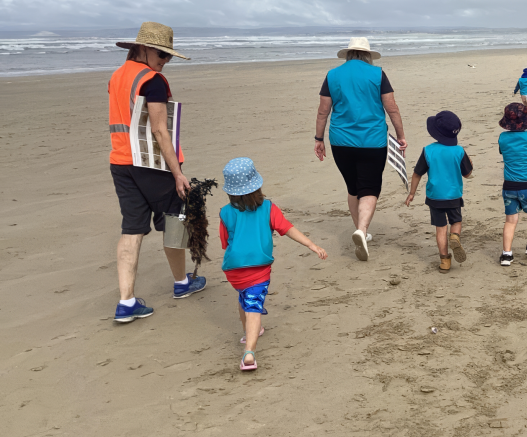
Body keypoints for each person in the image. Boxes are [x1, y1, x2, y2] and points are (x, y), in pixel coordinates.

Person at [108, 22, 206, 323]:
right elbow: (160, 130)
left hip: (120, 162)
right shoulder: (153, 81)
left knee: (132, 229)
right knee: (175, 221)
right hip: (152, 164)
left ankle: (126, 302)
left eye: (168, 56)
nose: (165, 61)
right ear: (143, 48)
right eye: (162, 54)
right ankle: (181, 283)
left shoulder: (117, 76)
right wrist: (177, 172)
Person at [219, 158, 328, 371]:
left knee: (243, 296)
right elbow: (287, 229)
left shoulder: (225, 212)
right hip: (258, 269)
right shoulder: (268, 208)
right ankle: (249, 352)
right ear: (256, 185)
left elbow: (225, 242)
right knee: (254, 306)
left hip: (233, 269)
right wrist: (312, 245)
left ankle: (249, 330)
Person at [315, 37, 407, 262]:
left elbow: (323, 111)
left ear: (348, 54)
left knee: (353, 186)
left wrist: (319, 138)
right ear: (367, 55)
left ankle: (360, 230)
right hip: (372, 140)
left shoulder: (333, 75)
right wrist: (401, 135)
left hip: (340, 141)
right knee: (370, 186)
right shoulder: (377, 74)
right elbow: (391, 108)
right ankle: (362, 231)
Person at [405, 111, 473, 272]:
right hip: (454, 195)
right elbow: (467, 174)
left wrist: (412, 193)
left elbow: (417, 173)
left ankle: (444, 261)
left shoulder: (428, 150)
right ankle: (455, 236)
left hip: (435, 196)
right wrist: (470, 163)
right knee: (456, 221)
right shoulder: (459, 151)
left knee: (440, 228)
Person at [498, 103, 527, 265]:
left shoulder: (503, 137)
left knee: (510, 220)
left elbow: (503, 152)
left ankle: (507, 254)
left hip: (509, 185)